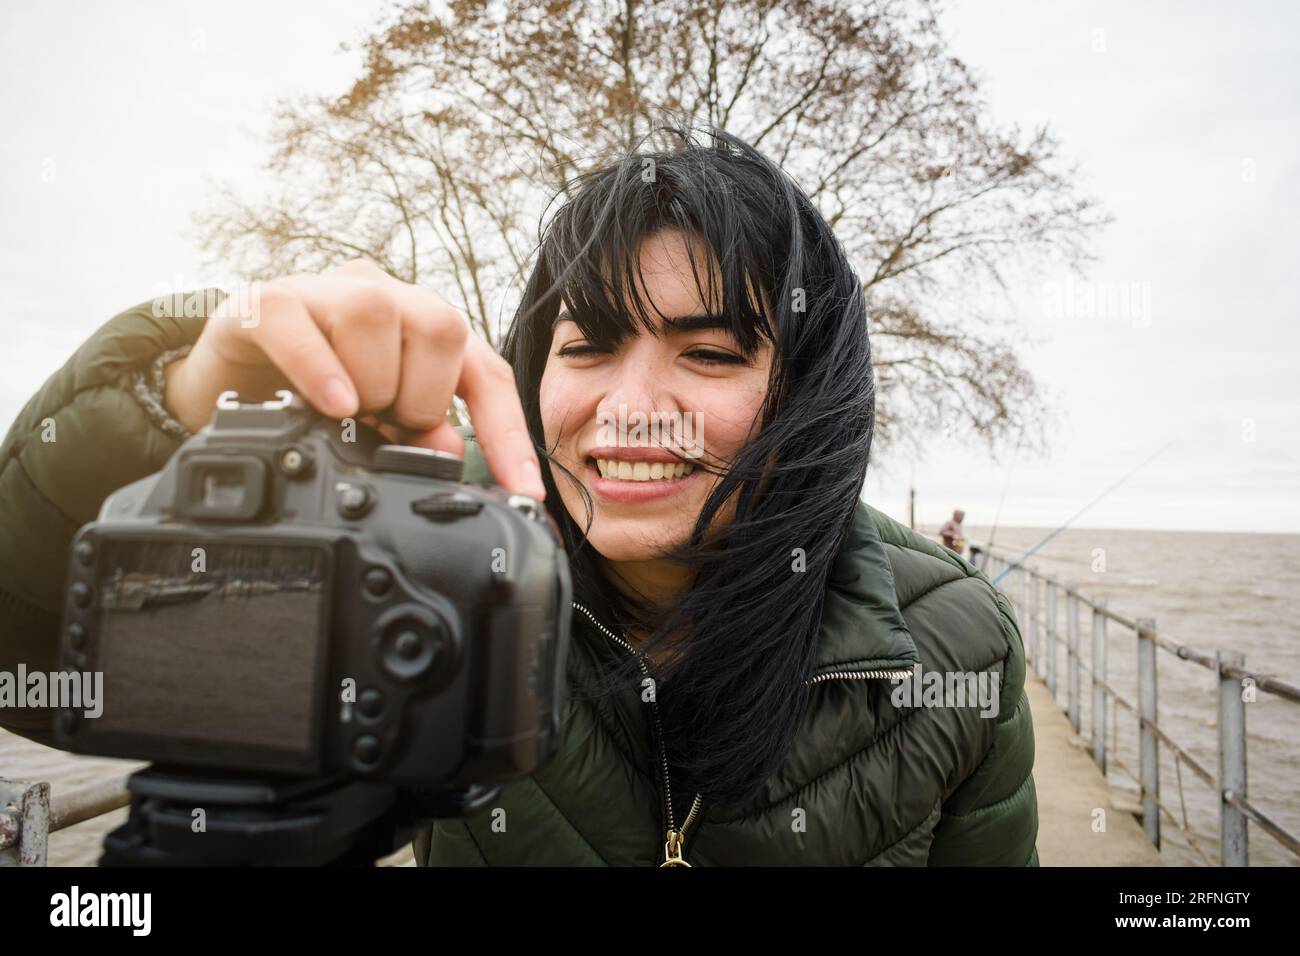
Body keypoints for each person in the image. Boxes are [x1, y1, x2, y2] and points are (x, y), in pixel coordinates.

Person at [0, 122, 1037, 866]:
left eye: (711, 352)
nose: (632, 409)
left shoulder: (958, 642)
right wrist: (179, 410)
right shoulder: (423, 558)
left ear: (809, 394)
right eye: (585, 345)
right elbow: (32, 659)